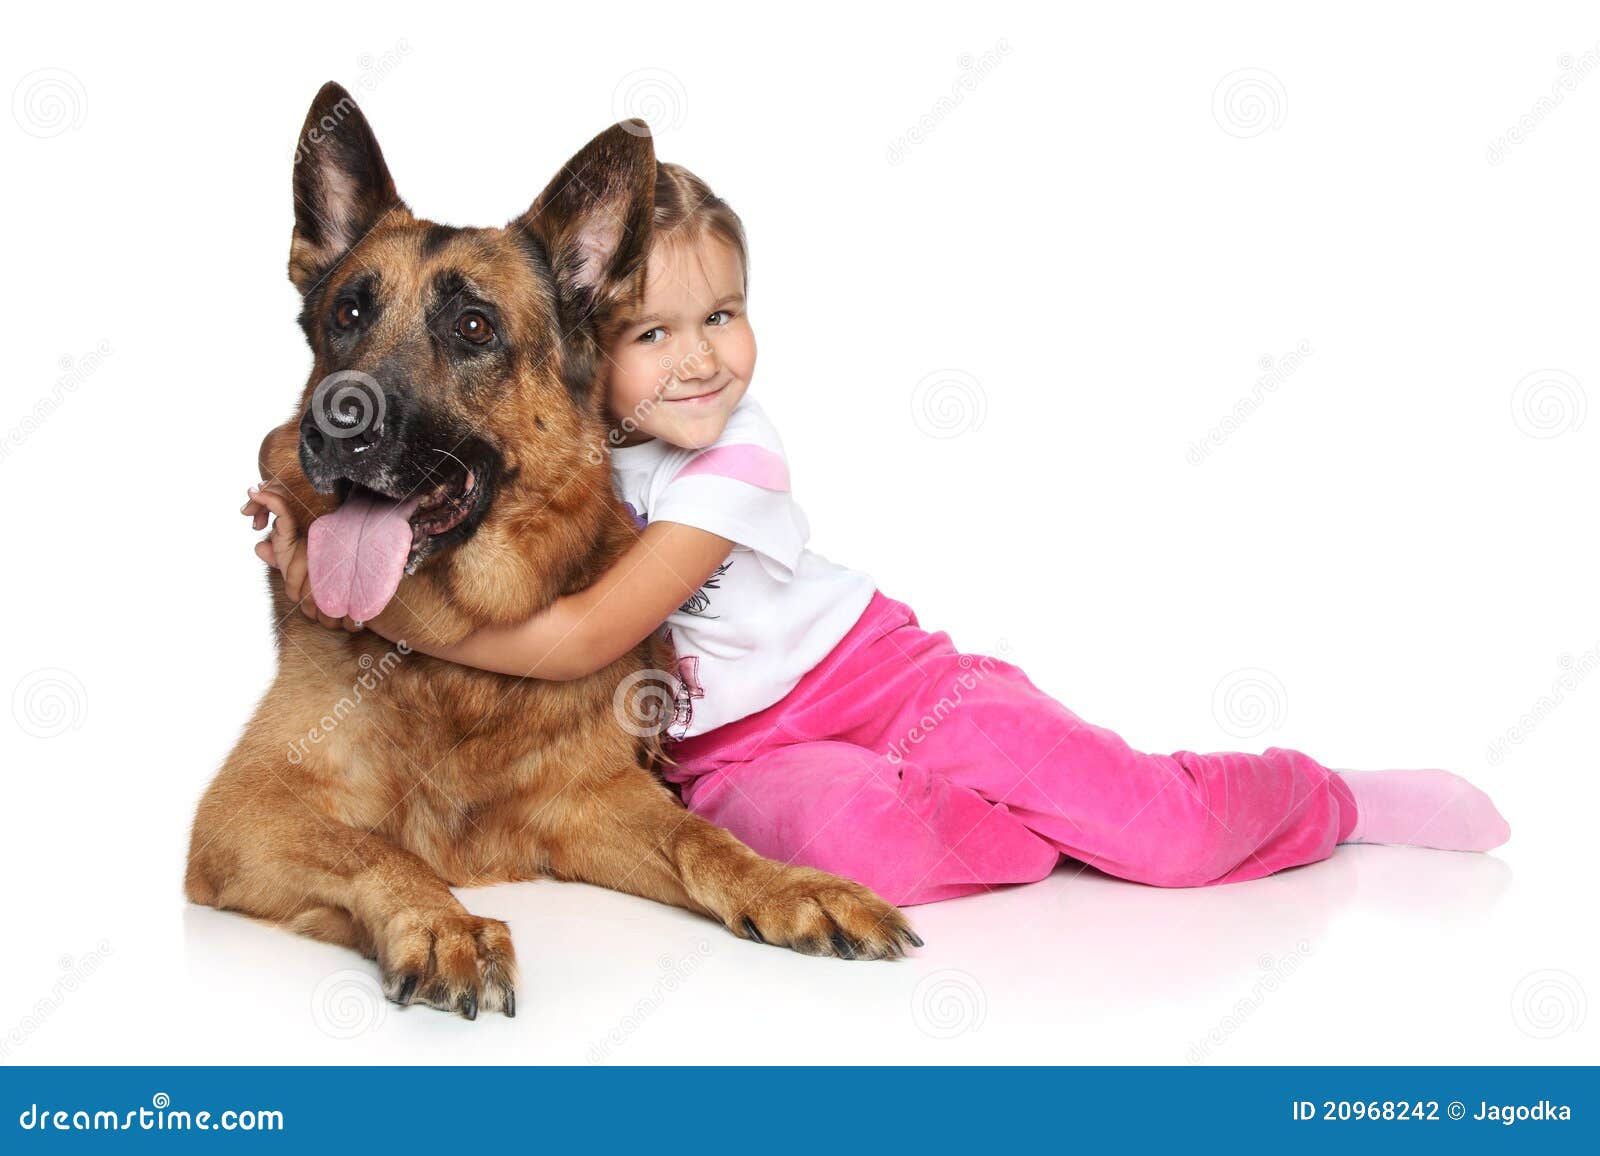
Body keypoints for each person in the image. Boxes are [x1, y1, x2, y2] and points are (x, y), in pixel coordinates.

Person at [242, 161, 1509, 907]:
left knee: (1160, 831)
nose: (699, 360)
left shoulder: (734, 462)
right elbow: (308, 447)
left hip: (885, 689)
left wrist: (344, 588)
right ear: (579, 353)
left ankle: (1329, 801)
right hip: (725, 757)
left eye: (724, 317)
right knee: (864, 854)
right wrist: (291, 495)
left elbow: (584, 634)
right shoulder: (549, 449)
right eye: (652, 333)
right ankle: (1052, 837)